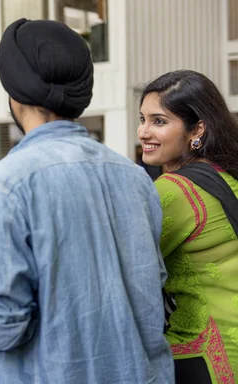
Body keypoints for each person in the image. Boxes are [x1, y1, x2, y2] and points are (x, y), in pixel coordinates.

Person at [0, 19, 175, 383]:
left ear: (14, 93)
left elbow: (0, 330)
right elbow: (151, 296)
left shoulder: (8, 181)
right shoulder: (135, 177)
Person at [137, 70, 238, 383]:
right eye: (142, 119)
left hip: (205, 357)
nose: (143, 132)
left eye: (159, 121)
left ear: (198, 129)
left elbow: (122, 269)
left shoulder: (173, 190)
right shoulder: (229, 177)